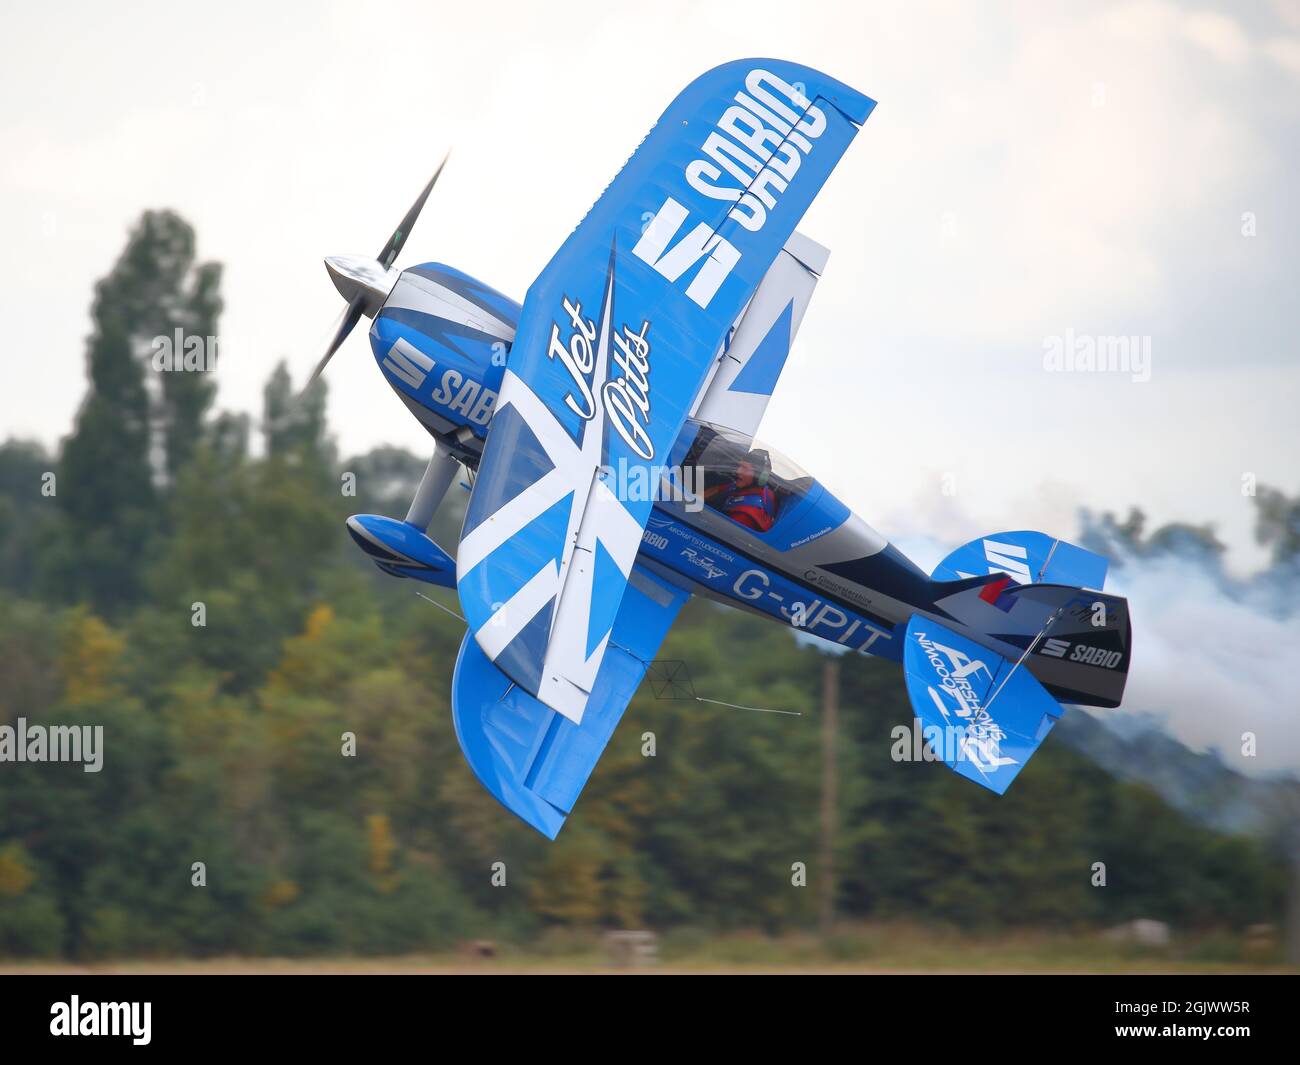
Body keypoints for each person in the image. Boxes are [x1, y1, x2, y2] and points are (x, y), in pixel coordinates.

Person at [703, 450, 777, 532]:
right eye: (740, 466)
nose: (737, 471)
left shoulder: (743, 517)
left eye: (745, 468)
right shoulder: (765, 491)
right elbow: (720, 488)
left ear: (758, 477)